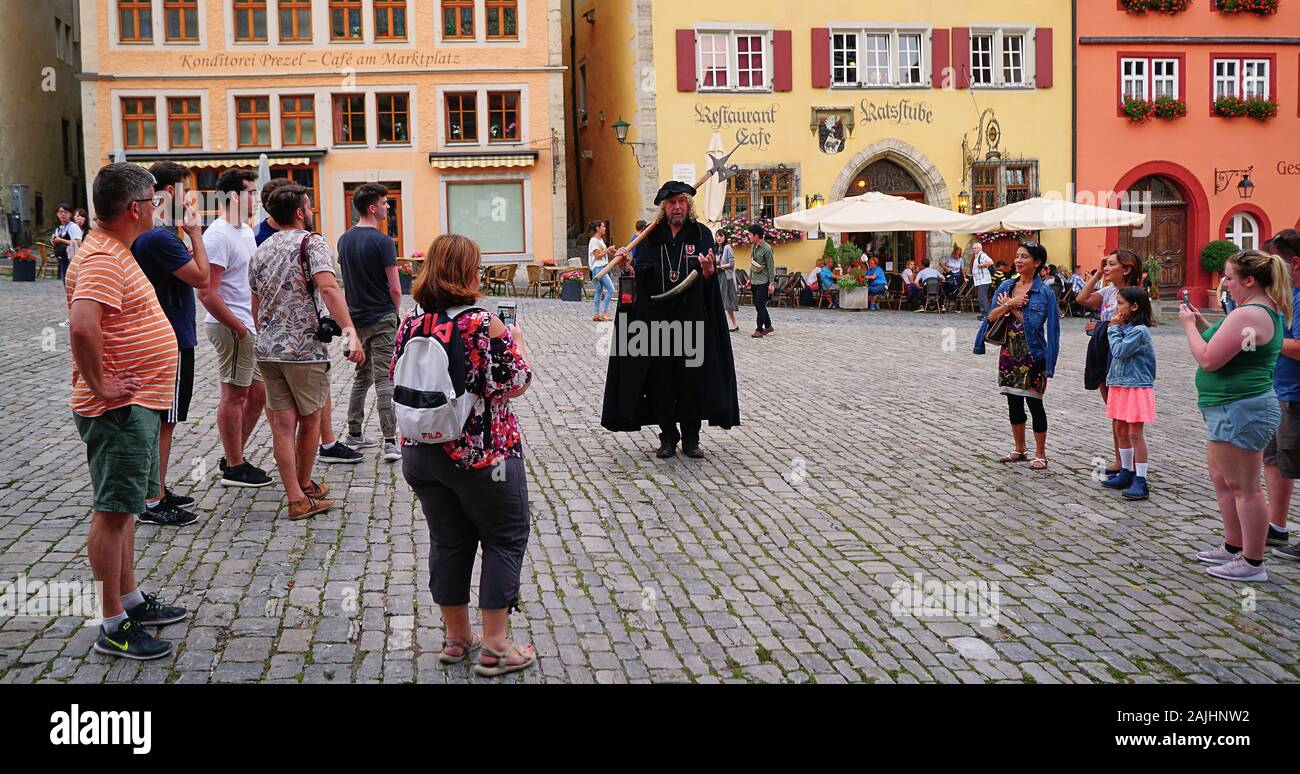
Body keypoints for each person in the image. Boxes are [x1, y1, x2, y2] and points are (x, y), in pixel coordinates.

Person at [396, 234, 537, 677]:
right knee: (504, 537)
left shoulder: (411, 320)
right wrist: (517, 338)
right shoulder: (484, 322)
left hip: (422, 452)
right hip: (483, 456)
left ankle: (457, 638)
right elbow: (515, 382)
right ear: (468, 272)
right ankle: (496, 645)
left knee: (448, 540)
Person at [68, 162, 187, 660]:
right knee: (114, 512)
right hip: (119, 409)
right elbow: (81, 326)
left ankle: (130, 598)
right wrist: (100, 382)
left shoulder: (114, 250)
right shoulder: (101, 257)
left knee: (128, 509)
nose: (157, 209)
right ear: (135, 207)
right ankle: (112, 622)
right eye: (154, 202)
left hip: (137, 405)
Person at [250, 184, 365, 520]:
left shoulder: (261, 248)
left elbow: (255, 303)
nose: (312, 211)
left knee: (282, 424)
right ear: (300, 212)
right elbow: (328, 287)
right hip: (303, 349)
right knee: (312, 418)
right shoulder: (310, 242)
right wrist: (349, 332)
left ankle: (297, 491)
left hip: (268, 349)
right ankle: (301, 494)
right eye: (309, 206)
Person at [601, 180, 740, 459]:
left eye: (682, 202)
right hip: (657, 324)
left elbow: (708, 282)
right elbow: (639, 279)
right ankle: (668, 437)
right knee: (661, 382)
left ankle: (691, 439)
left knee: (691, 381)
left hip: (692, 323)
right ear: (663, 207)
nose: (677, 207)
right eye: (672, 203)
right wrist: (628, 267)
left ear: (688, 206)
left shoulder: (701, 234)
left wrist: (710, 272)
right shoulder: (649, 237)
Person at [1184, 249, 1292, 582]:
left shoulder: (1250, 315)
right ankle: (1234, 545)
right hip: (1229, 405)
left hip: (1241, 407)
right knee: (1223, 480)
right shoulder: (1251, 312)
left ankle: (1252, 561)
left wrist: (1188, 325)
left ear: (1249, 280)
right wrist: (1202, 322)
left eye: (1229, 277)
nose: (1224, 283)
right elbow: (1228, 346)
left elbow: (1208, 359)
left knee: (1245, 487)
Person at [130, 160, 211, 526]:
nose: (189, 198)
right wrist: (195, 234)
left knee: (166, 419)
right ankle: (153, 499)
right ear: (167, 192)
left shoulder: (158, 233)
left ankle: (157, 488)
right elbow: (201, 277)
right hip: (171, 340)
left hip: (170, 335)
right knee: (165, 420)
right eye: (184, 189)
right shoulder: (162, 237)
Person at [199, 169, 274, 488]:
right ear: (233, 197)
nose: (257, 199)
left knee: (257, 393)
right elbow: (206, 291)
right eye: (252, 193)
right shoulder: (217, 235)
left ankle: (234, 455)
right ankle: (233, 465)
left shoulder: (243, 229)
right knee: (234, 394)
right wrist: (239, 328)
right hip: (230, 326)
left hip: (247, 325)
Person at [974, 242, 1061, 470]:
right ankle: (1020, 448)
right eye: (1017, 256)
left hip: (1033, 354)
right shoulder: (1006, 285)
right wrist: (1010, 304)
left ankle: (1040, 453)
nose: (1019, 260)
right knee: (1013, 402)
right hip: (1009, 353)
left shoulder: (1045, 293)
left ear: (1037, 262)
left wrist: (1012, 309)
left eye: (1024, 257)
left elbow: (1040, 327)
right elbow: (991, 317)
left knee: (1035, 404)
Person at [338, 182, 402, 463]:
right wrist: (394, 312)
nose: (388, 207)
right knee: (385, 378)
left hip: (355, 318)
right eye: (385, 203)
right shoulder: (383, 242)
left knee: (361, 377)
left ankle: (353, 432)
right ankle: (390, 440)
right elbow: (396, 287)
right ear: (372, 207)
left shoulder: (343, 240)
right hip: (382, 316)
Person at [1075, 248, 1142, 479]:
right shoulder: (1109, 290)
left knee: (1123, 412)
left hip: (1119, 353)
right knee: (1113, 409)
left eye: (1111, 264)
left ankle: (1130, 462)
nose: (1106, 267)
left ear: (1126, 269)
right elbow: (1082, 299)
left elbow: (1130, 326)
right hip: (1104, 349)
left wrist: (1100, 327)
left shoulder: (1132, 294)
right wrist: (1096, 274)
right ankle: (1120, 459)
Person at [1101, 287, 1157, 500]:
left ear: (1134, 306)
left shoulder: (1140, 331)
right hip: (1119, 384)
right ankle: (1126, 471)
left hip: (1136, 386)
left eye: (1121, 303)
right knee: (1120, 429)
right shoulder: (1125, 327)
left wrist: (1113, 329)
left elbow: (1119, 351)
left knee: (1135, 433)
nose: (1117, 307)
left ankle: (1141, 479)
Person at [1264, 230, 1300, 561]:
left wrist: (1269, 338)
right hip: (1281, 390)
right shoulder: (1289, 296)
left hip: (1296, 395)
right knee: (1275, 459)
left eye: (1277, 264)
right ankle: (1277, 525)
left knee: (1295, 461)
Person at [52, 203, 84, 327]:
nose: (63, 214)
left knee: (73, 290)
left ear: (70, 214)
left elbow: (77, 242)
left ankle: (74, 317)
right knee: (68, 289)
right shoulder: (59, 228)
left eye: (65, 212)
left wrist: (60, 240)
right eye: (60, 212)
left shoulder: (73, 227)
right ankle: (73, 316)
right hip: (63, 261)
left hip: (72, 261)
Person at [747, 224, 775, 337]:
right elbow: (753, 263)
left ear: (756, 236)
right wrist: (750, 278)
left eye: (750, 234)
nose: (748, 236)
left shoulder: (767, 249)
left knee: (759, 305)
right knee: (759, 305)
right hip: (754, 280)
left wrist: (771, 283)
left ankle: (759, 330)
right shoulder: (753, 246)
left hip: (763, 281)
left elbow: (770, 267)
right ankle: (768, 326)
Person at [588, 220, 615, 322]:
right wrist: (607, 250)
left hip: (603, 267)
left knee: (599, 291)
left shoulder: (600, 240)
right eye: (603, 227)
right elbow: (598, 256)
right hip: (599, 268)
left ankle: (596, 313)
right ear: (597, 228)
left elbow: (602, 254)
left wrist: (609, 250)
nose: (605, 228)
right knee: (611, 289)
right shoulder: (594, 241)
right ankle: (604, 312)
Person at [715, 229, 739, 330]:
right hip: (717, 276)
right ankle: (734, 324)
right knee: (724, 301)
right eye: (717, 236)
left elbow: (732, 264)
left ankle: (726, 324)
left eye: (721, 236)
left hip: (725, 276)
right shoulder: (716, 249)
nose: (719, 238)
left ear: (725, 237)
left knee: (724, 300)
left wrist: (721, 266)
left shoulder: (727, 248)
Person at [971, 241, 994, 320]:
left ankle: (986, 315)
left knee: (982, 297)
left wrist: (981, 265)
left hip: (984, 280)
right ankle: (984, 314)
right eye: (973, 248)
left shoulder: (982, 255)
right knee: (982, 297)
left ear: (980, 248)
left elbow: (991, 262)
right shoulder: (977, 256)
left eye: (975, 248)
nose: (974, 249)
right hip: (980, 281)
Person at [944, 244, 965, 308]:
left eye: (958, 255)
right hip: (949, 275)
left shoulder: (960, 259)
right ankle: (950, 297)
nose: (957, 256)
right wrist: (946, 267)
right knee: (951, 288)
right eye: (956, 254)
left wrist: (964, 277)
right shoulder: (948, 258)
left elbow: (962, 269)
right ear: (953, 253)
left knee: (957, 290)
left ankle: (957, 307)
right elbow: (941, 264)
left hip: (957, 276)